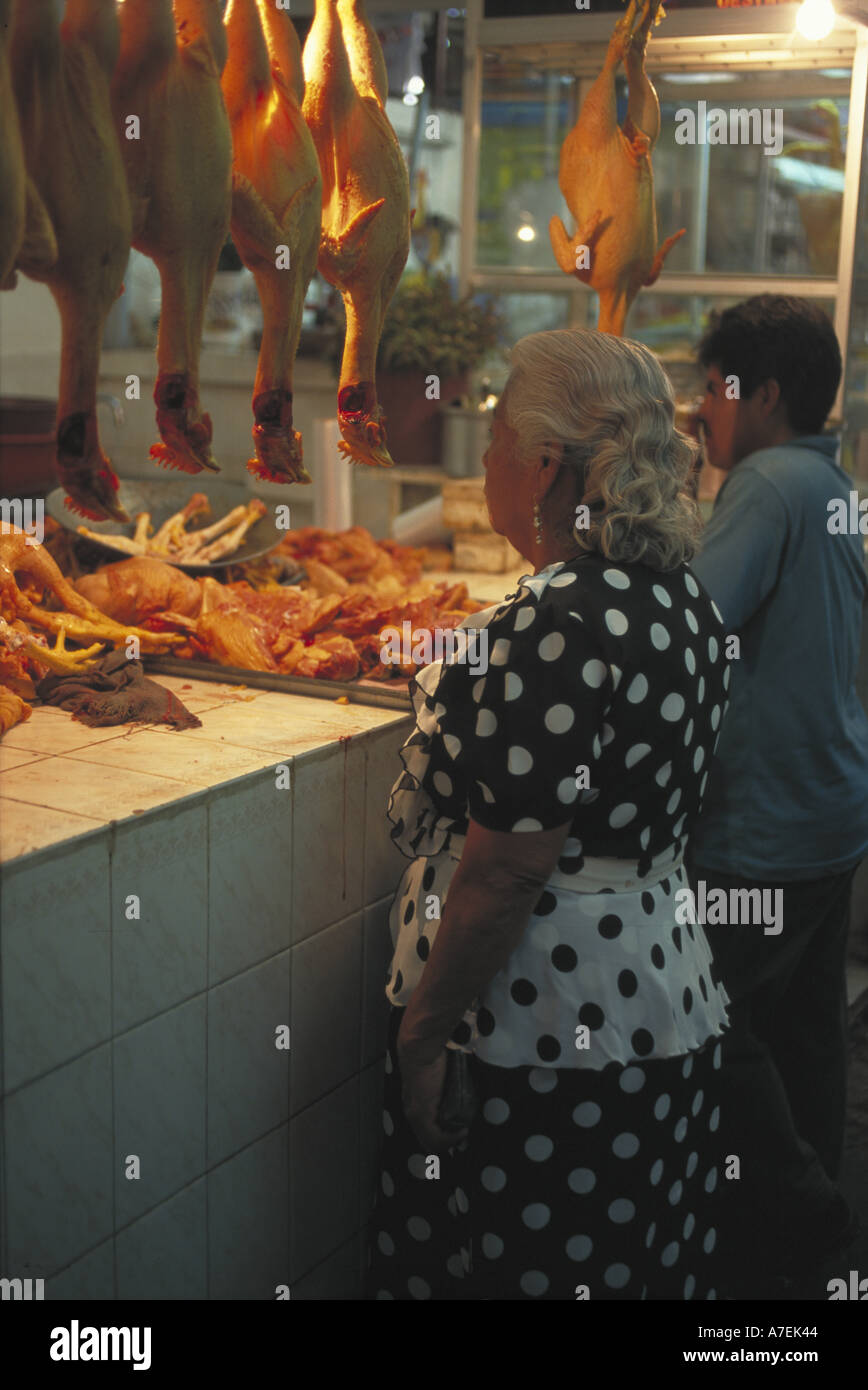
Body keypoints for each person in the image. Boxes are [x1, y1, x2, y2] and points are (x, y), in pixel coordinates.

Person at [365, 327, 732, 1301]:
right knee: (626, 1259)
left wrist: (420, 1036)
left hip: (541, 1027)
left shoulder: (552, 622)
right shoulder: (680, 601)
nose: (481, 460)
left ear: (542, 464)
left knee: (517, 1261)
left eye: (490, 440)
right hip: (655, 1002)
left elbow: (505, 870)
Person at [688, 294, 868, 1296]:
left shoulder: (762, 484)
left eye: (711, 390)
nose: (697, 412)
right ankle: (807, 1224)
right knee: (801, 1020)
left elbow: (692, 622)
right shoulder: (826, 481)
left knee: (705, 1013)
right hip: (833, 806)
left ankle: (802, 1203)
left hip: (768, 825)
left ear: (760, 393)